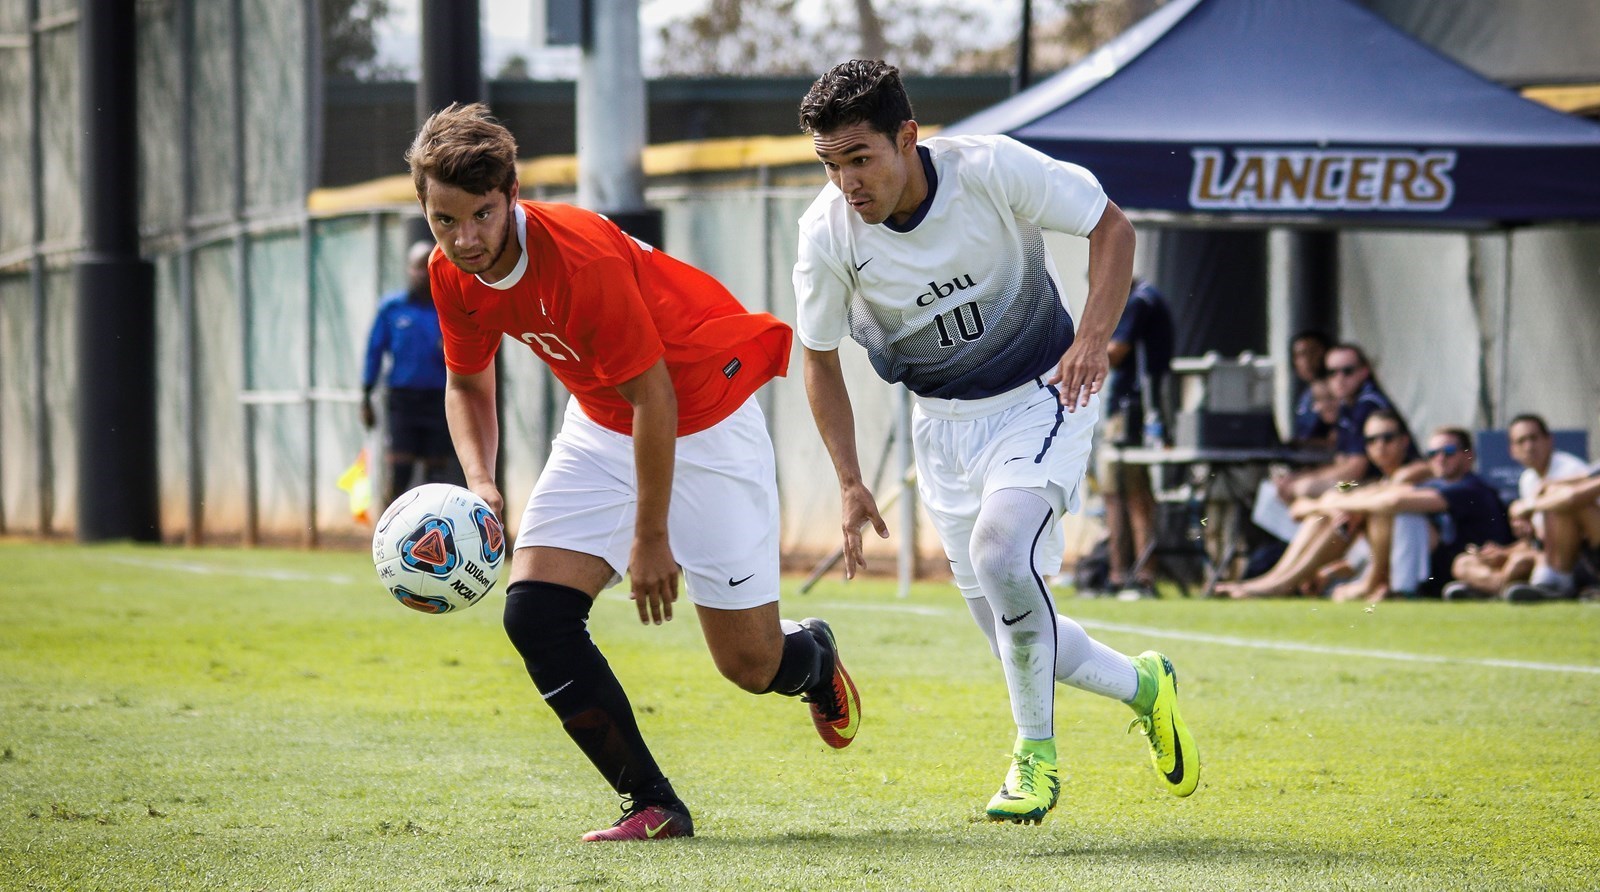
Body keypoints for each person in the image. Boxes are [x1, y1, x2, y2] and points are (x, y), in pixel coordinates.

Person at [405, 102, 861, 843]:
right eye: (444, 221)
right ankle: (653, 805)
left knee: (749, 663)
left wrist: (650, 538)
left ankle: (811, 657)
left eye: (482, 216)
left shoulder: (578, 258)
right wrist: (482, 480)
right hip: (603, 423)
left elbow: (657, 395)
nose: (466, 239)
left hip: (702, 417)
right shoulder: (449, 272)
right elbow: (466, 383)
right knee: (537, 615)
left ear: (512, 193)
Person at [792, 60, 1198, 825]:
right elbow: (816, 357)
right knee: (1017, 629)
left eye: (860, 159)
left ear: (907, 138)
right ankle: (1146, 685)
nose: (847, 182)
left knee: (1004, 556)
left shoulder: (991, 168)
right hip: (941, 429)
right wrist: (848, 479)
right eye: (830, 164)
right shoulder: (827, 234)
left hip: (1045, 392)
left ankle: (1033, 759)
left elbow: (1111, 225)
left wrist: (1095, 340)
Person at [1218, 410, 1429, 599]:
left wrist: (1337, 503)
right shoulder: (1375, 480)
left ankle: (1279, 585)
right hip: (1366, 558)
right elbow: (1298, 509)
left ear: (1404, 441)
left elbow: (1390, 499)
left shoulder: (1414, 472)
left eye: (1387, 438)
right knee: (1324, 517)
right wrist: (1328, 506)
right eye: (1372, 440)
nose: (1380, 446)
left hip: (1409, 566)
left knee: (1363, 511)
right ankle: (1274, 580)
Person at [1315, 426, 1511, 602]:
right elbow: (1385, 494)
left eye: (1449, 452)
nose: (1440, 458)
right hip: (1439, 569)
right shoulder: (1432, 484)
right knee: (1375, 511)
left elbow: (1395, 501)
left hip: (1470, 562)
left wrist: (1338, 503)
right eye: (1433, 453)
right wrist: (1334, 505)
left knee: (1403, 514)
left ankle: (1397, 589)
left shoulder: (1471, 488)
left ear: (1468, 456)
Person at [361, 240, 463, 507]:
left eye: (426, 268)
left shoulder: (448, 307)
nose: (422, 274)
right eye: (417, 268)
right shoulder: (392, 308)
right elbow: (374, 351)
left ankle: (431, 537)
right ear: (408, 270)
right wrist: (365, 396)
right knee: (401, 472)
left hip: (439, 400)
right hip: (403, 400)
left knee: (437, 476)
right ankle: (387, 533)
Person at [1096, 278, 1175, 596]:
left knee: (1127, 494)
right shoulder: (1151, 297)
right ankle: (1131, 572)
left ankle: (1134, 575)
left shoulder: (1138, 302)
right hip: (1137, 410)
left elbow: (1114, 352)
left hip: (1132, 413)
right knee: (1123, 494)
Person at [1497, 415, 1599, 601]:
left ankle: (1556, 584)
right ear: (1512, 450)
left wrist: (1528, 506)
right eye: (1521, 441)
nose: (1529, 446)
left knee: (1560, 500)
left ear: (1549, 440)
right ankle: (1490, 589)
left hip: (1583, 556)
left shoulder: (1568, 466)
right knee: (1465, 563)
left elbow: (1570, 498)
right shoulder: (1528, 479)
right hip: (1574, 555)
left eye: (1533, 438)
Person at [1288, 331, 1334, 450]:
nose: (1307, 360)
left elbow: (1337, 443)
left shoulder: (1337, 389)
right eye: (1299, 355)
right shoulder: (1305, 394)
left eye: (1312, 352)